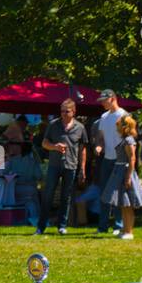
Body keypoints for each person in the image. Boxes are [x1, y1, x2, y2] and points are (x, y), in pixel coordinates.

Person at [37, 97, 88, 236]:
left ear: (74, 112)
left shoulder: (80, 127)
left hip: (71, 166)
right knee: (48, 195)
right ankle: (41, 227)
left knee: (66, 197)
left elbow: (83, 149)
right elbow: (44, 143)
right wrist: (54, 146)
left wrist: (82, 169)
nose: (64, 114)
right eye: (62, 111)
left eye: (67, 111)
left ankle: (62, 226)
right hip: (54, 165)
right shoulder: (53, 125)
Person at [102, 114, 142, 239]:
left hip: (125, 172)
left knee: (128, 204)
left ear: (124, 127)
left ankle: (129, 232)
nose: (116, 127)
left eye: (118, 125)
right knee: (123, 203)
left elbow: (132, 159)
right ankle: (125, 229)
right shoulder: (125, 139)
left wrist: (128, 177)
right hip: (120, 171)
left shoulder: (129, 140)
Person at [94, 89, 127, 235]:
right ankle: (102, 226)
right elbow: (101, 137)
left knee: (119, 194)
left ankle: (118, 226)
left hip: (120, 160)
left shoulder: (123, 115)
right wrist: (99, 146)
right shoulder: (104, 117)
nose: (101, 103)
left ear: (112, 98)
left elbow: (129, 139)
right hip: (107, 159)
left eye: (103, 100)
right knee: (105, 194)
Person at [6, 148, 43, 226]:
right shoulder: (33, 162)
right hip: (29, 189)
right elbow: (39, 176)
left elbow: (5, 173)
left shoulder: (12, 161)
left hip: (14, 189)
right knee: (34, 200)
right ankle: (35, 219)